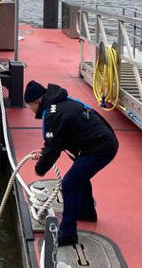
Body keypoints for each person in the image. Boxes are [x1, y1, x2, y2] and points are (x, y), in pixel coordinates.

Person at [24, 80, 119, 246]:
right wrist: (45, 151)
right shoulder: (60, 104)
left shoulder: (53, 114)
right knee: (80, 177)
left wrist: (39, 170)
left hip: (99, 148)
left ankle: (68, 233)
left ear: (36, 102)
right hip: (102, 143)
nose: (30, 110)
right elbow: (59, 140)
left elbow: (53, 148)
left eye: (29, 106)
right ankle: (87, 211)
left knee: (70, 184)